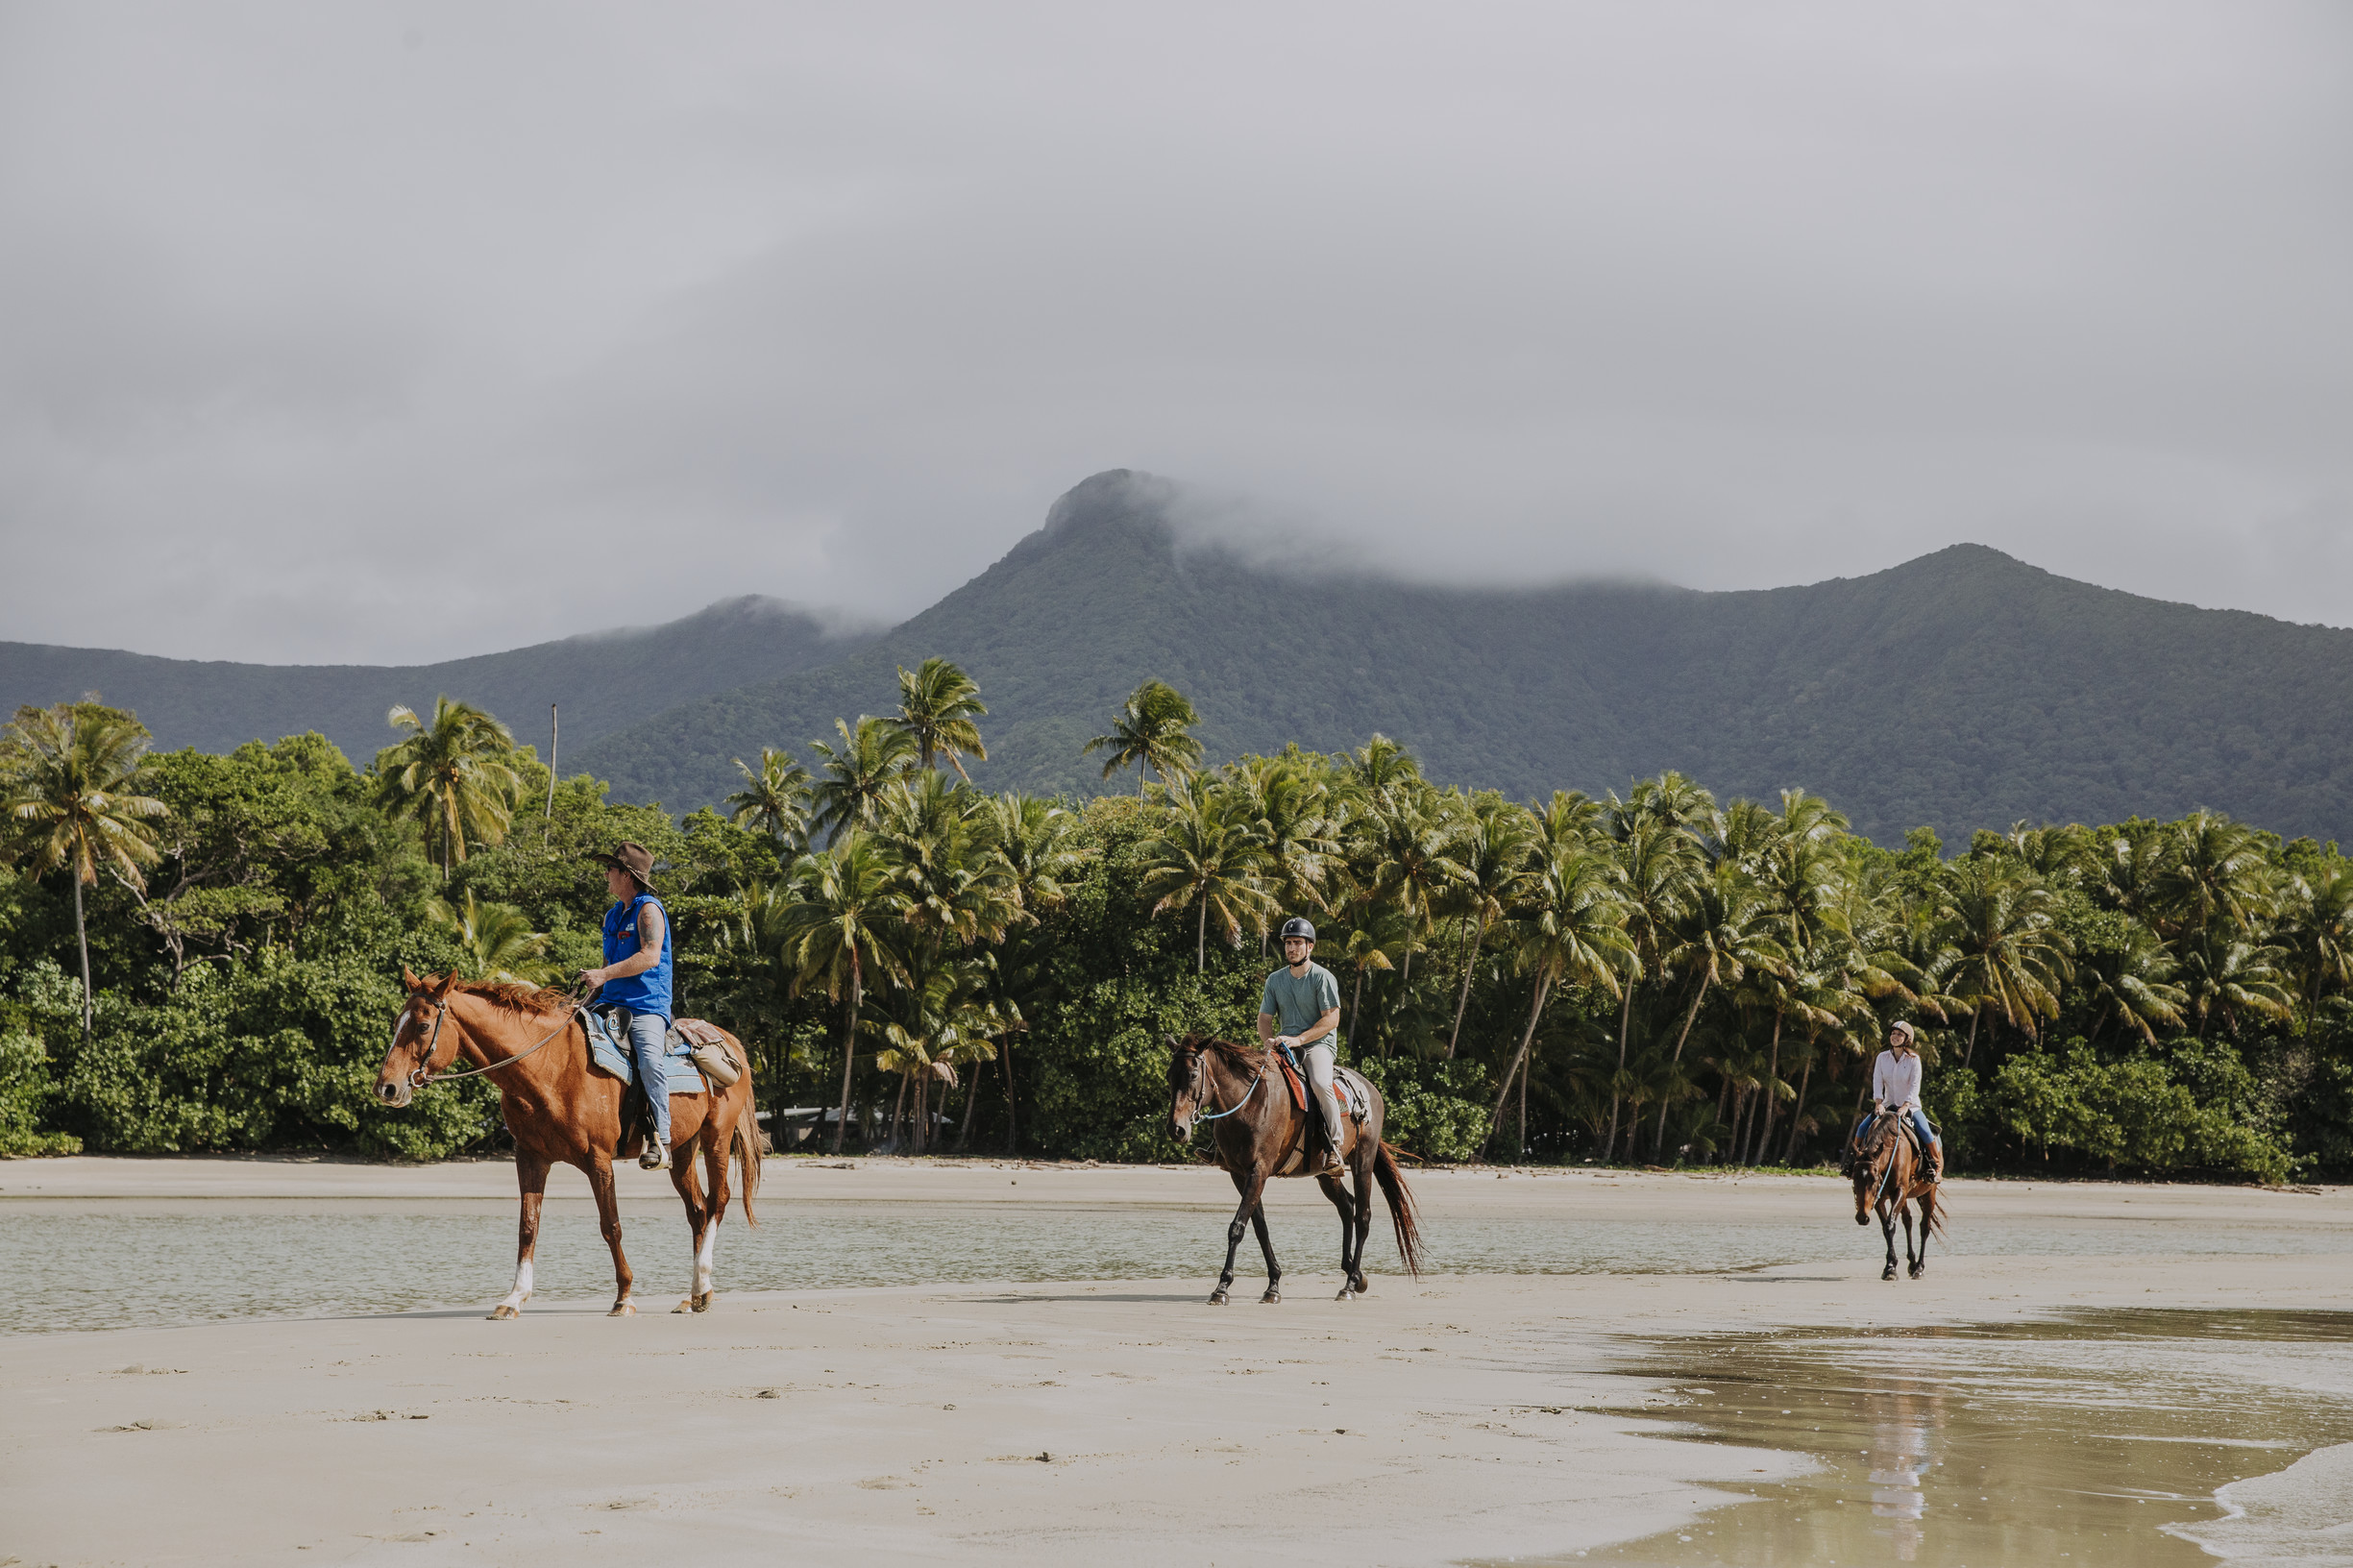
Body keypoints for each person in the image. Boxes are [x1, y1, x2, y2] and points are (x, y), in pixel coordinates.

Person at [581, 842, 675, 1170]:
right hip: (609, 1001)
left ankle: (662, 1139)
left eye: (610, 869)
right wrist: (581, 1002)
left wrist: (603, 974)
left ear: (626, 875)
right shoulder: (612, 915)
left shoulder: (648, 910)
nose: (606, 874)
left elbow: (649, 957)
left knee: (649, 1061)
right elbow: (607, 966)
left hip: (646, 1006)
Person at [1259, 917, 1348, 1177]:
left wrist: (1299, 1039)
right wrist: (1268, 1040)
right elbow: (1264, 1018)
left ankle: (1335, 1146)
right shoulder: (1275, 980)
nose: (1291, 948)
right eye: (1288, 943)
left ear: (1310, 946)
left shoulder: (1322, 977)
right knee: (1251, 1078)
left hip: (1317, 1046)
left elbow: (1332, 1019)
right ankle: (1224, 1145)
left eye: (1297, 942)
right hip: (1284, 1045)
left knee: (1320, 1082)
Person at [1845, 1019, 1943, 1182]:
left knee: (1925, 1132)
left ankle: (1937, 1167)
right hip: (1887, 1105)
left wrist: (1906, 1106)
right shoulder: (1882, 1057)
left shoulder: (1914, 1060)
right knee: (1862, 1128)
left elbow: (1915, 1085)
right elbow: (1877, 1081)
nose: (1895, 1037)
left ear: (1907, 1039)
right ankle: (1853, 1162)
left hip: (1911, 1107)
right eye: (1893, 1033)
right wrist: (1878, 1103)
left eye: (1899, 1034)